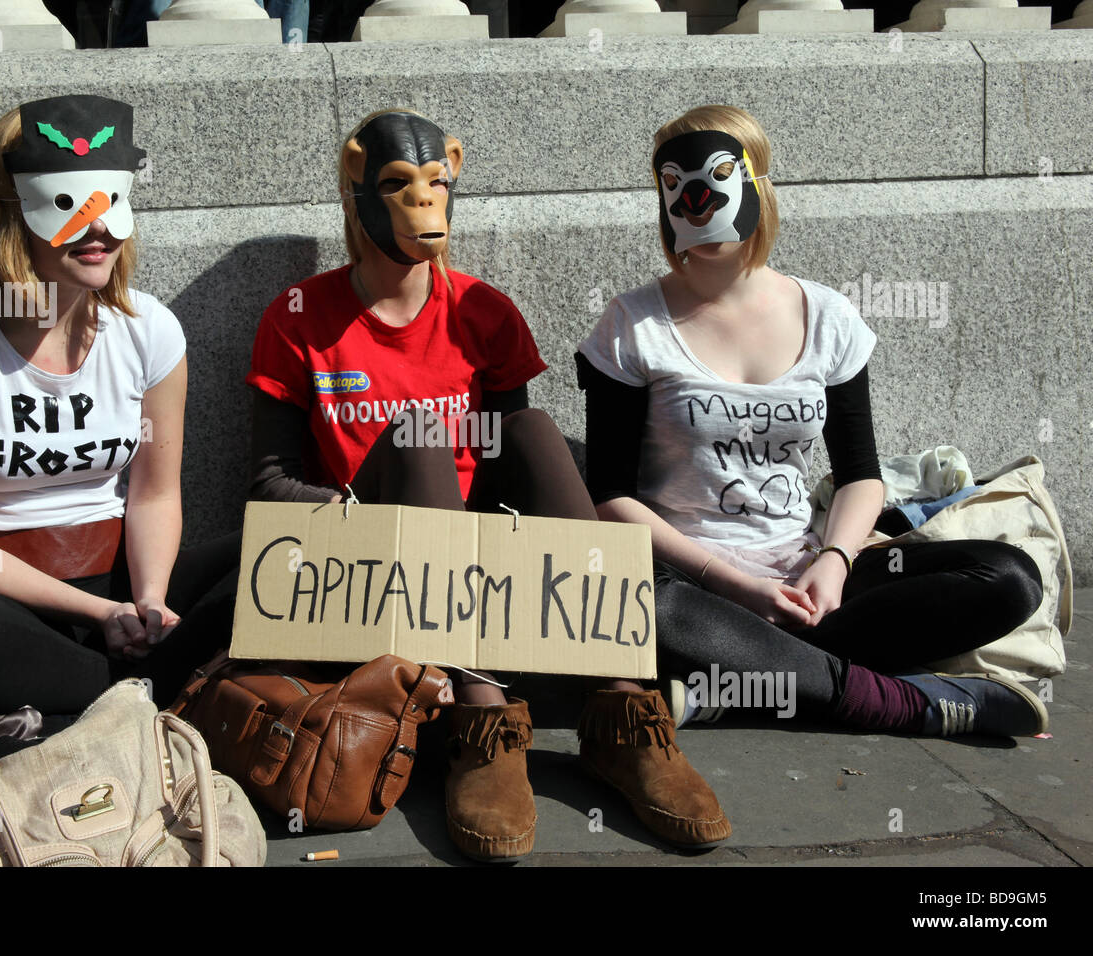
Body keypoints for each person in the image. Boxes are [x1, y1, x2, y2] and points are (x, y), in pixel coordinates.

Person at [245, 108, 731, 861]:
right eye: (400, 185)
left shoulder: (482, 310)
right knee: (418, 431)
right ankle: (479, 720)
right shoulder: (301, 316)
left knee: (533, 430)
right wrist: (351, 510)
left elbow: (515, 465)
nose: (423, 203)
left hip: (478, 568)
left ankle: (624, 712)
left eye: (437, 183)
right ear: (358, 189)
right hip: (370, 569)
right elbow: (269, 485)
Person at [578, 104, 1048, 741]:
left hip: (808, 583)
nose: (696, 199)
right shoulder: (633, 323)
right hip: (691, 587)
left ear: (758, 186)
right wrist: (738, 587)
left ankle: (745, 687)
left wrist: (833, 562)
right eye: (674, 184)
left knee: (1011, 578)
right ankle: (901, 703)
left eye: (719, 175)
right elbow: (610, 496)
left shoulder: (827, 316)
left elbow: (861, 475)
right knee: (647, 611)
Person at [0, 95, 241, 720]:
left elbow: (152, 494)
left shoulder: (152, 330)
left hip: (124, 576)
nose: (99, 230)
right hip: (7, 598)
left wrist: (147, 600)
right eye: (68, 205)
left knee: (285, 553)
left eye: (112, 204)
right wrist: (99, 615)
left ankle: (130, 682)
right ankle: (155, 689)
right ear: (10, 213)